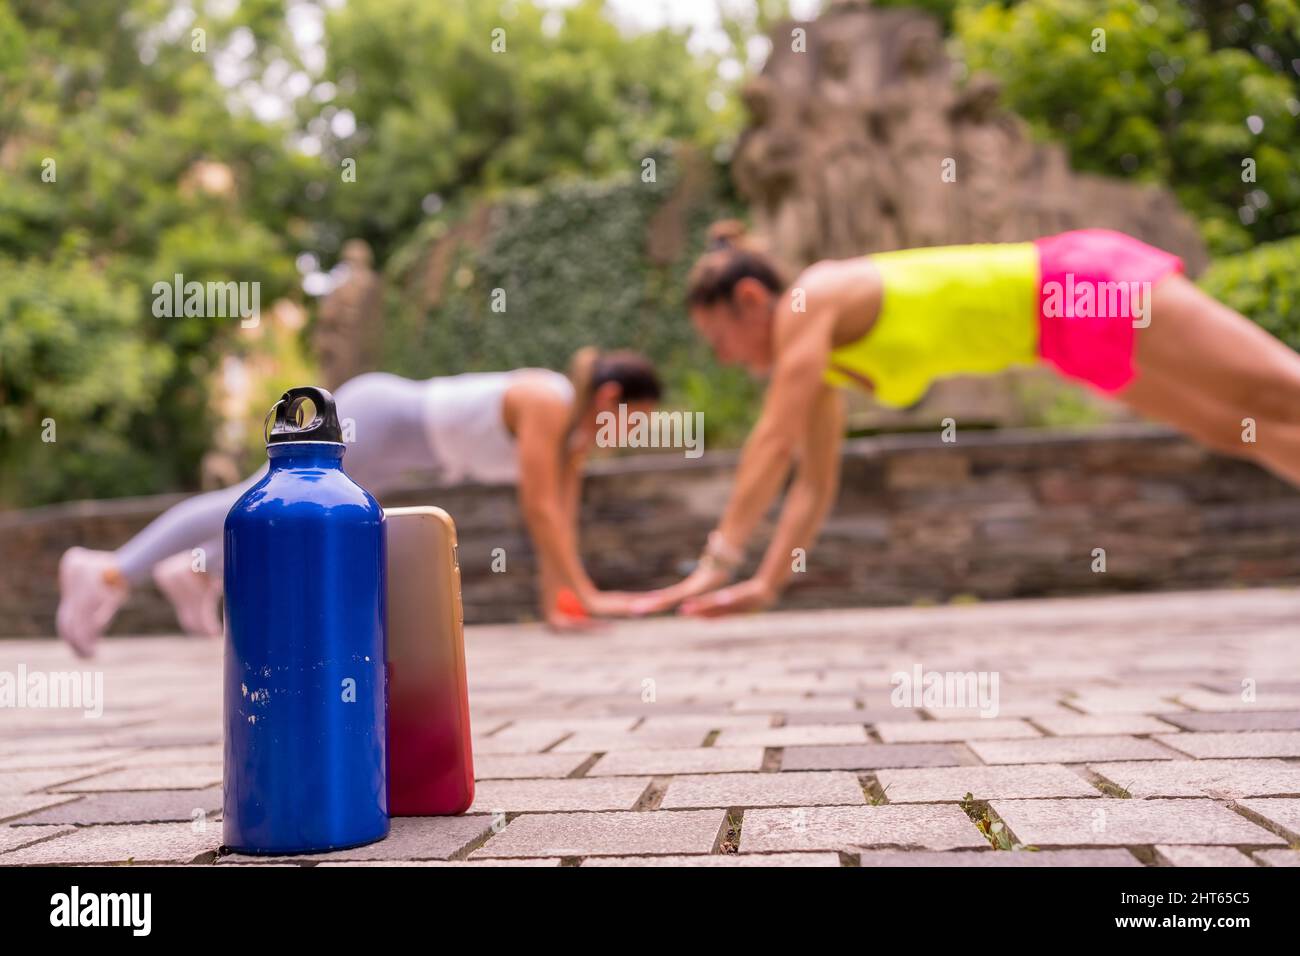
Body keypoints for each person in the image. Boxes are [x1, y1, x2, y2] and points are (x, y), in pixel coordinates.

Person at [637, 221, 1300, 616]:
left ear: (751, 300)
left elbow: (771, 441)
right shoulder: (826, 367)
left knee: (1279, 395)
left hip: (1079, 283)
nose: (726, 359)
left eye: (720, 340)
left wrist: (715, 560)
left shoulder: (812, 299)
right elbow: (813, 481)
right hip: (1064, 343)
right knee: (1231, 429)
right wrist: (766, 583)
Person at [57, 349, 660, 655]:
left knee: (293, 514)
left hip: (398, 452)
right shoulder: (549, 400)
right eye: (636, 421)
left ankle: (195, 572)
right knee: (256, 497)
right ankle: (107, 570)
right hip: (382, 417)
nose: (631, 434)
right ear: (610, 395)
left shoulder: (573, 444)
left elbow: (560, 522)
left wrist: (561, 603)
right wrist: (588, 593)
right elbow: (540, 510)